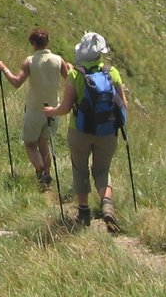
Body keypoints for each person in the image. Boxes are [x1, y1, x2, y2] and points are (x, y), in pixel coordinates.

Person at [43, 31, 129, 230]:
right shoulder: (112, 72)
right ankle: (107, 206)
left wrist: (50, 111)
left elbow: (65, 108)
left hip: (80, 130)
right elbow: (122, 103)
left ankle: (83, 212)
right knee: (102, 170)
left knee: (80, 168)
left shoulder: (75, 75)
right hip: (107, 131)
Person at [0, 29, 70, 190]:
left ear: (33, 43)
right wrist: (69, 67)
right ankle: (47, 174)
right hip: (53, 109)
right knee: (44, 143)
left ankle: (40, 169)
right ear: (48, 42)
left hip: (35, 109)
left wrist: (4, 69)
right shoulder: (58, 60)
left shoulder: (29, 61)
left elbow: (16, 82)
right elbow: (70, 79)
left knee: (30, 144)